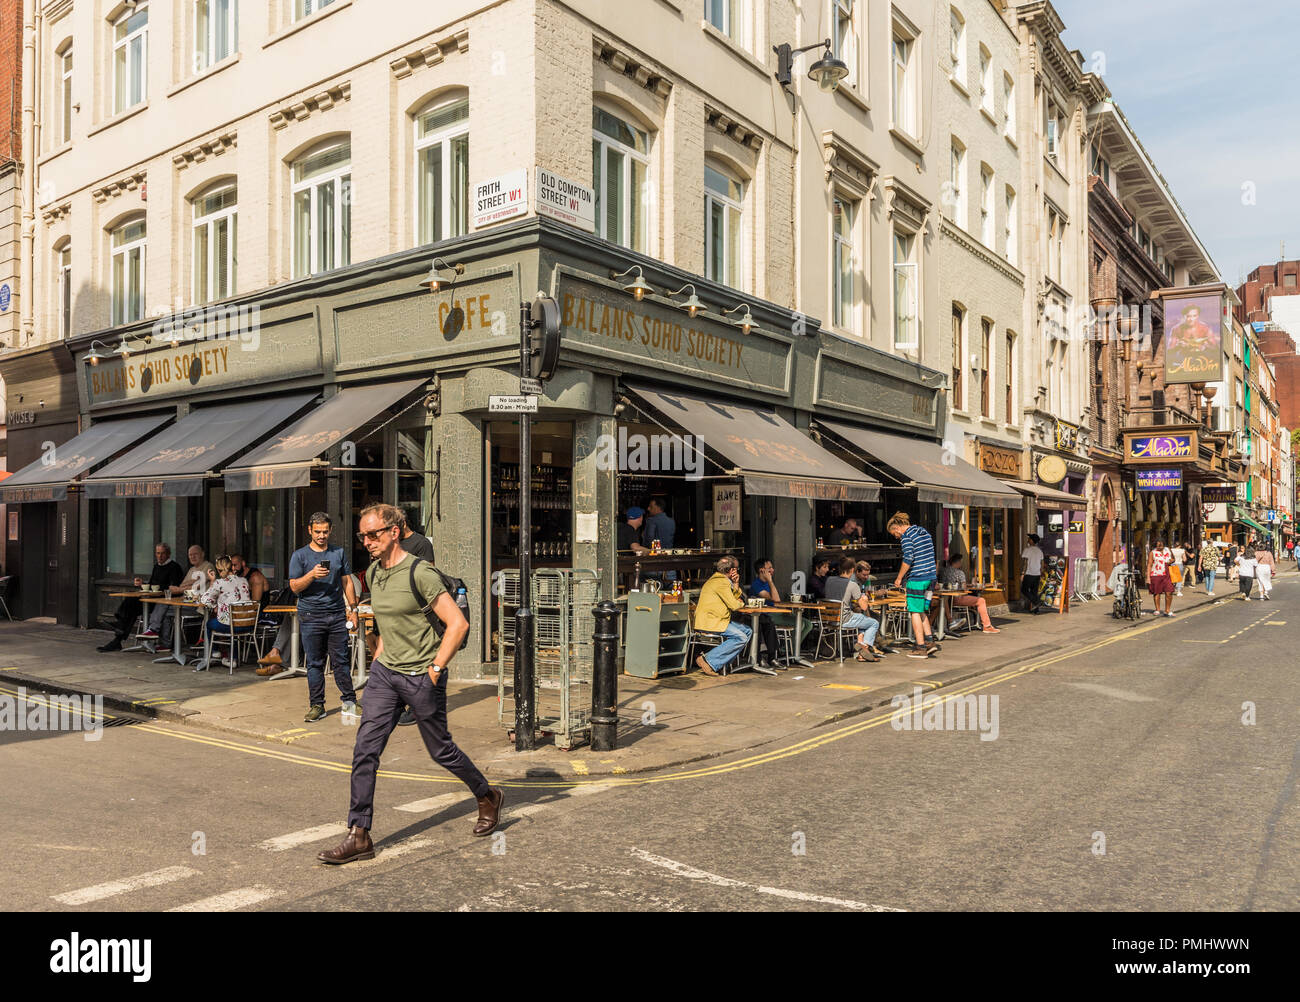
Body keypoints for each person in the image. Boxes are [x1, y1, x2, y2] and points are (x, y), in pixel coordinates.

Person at [316, 503, 502, 865]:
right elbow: (385, 624)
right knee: (364, 751)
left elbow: (458, 625)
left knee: (441, 750)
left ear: (394, 532)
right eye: (362, 535)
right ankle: (359, 835)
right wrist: (378, 660)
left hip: (421, 674)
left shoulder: (421, 572)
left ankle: (487, 795)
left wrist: (434, 670)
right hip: (386, 674)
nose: (367, 541)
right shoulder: (374, 573)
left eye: (373, 534)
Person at [290, 512, 361, 722]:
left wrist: (353, 610)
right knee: (315, 663)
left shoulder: (338, 552)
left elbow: (347, 582)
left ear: (330, 531)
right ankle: (317, 705)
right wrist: (311, 575)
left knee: (341, 661)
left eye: (325, 531)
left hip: (337, 614)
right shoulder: (300, 556)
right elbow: (294, 587)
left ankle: (349, 702)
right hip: (311, 615)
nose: (322, 535)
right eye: (318, 531)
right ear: (310, 531)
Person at [97, 543, 186, 652]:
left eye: (162, 553)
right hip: (151, 598)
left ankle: (118, 631)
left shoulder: (174, 567)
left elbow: (174, 587)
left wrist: (157, 588)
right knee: (130, 603)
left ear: (168, 554)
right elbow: (152, 584)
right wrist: (142, 584)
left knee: (132, 606)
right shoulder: (156, 566)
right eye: (158, 553)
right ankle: (117, 638)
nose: (160, 556)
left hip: (161, 602)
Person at [888, 512, 939, 659]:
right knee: (922, 610)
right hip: (931, 578)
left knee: (914, 612)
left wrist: (899, 578)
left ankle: (920, 647)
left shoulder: (907, 537)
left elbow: (908, 558)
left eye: (894, 533)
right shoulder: (924, 532)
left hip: (918, 578)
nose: (896, 537)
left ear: (897, 527)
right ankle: (930, 642)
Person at [693, 555, 749, 677]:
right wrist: (742, 602)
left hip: (718, 619)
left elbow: (732, 597)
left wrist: (736, 583)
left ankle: (719, 664)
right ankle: (708, 660)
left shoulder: (719, 580)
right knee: (741, 638)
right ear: (732, 570)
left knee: (748, 631)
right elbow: (734, 604)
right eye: (736, 569)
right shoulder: (721, 582)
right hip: (711, 621)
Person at [196, 555, 253, 670]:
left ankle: (215, 652)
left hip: (232, 626)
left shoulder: (219, 583)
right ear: (232, 567)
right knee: (235, 622)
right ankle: (233, 659)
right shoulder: (244, 580)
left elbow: (206, 600)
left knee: (209, 624)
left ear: (218, 570)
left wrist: (212, 581)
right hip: (248, 624)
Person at [939, 556, 1000, 633]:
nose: (961, 564)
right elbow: (964, 587)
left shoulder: (943, 571)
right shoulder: (959, 573)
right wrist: (969, 586)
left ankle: (977, 622)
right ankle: (987, 626)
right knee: (981, 600)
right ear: (957, 563)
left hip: (946, 600)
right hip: (957, 599)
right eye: (961, 562)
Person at [841, 560, 885, 661]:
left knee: (873, 616)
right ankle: (867, 647)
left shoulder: (863, 580)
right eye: (864, 575)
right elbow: (859, 602)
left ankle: (863, 650)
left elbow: (865, 594)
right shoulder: (852, 582)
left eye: (867, 574)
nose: (866, 577)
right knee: (871, 620)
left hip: (845, 614)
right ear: (856, 572)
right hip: (849, 613)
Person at [1147, 539, 1174, 617]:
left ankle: (1167, 610)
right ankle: (1157, 609)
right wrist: (1148, 577)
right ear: (1155, 545)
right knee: (1157, 592)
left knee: (1169, 592)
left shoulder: (1168, 550)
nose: (1160, 546)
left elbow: (1173, 558)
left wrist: (1170, 561)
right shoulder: (1152, 553)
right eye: (1158, 545)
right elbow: (1149, 564)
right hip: (1156, 574)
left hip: (1167, 574)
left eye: (1161, 545)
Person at [1020, 534, 1045, 614]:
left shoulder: (1027, 550)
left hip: (1029, 573)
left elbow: (1025, 562)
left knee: (1024, 590)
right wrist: (1041, 572)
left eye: (1029, 538)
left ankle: (1036, 601)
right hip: (1037, 574)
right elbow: (1042, 563)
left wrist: (1023, 573)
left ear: (1031, 540)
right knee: (1034, 592)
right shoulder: (1039, 551)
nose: (1028, 539)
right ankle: (1036, 610)